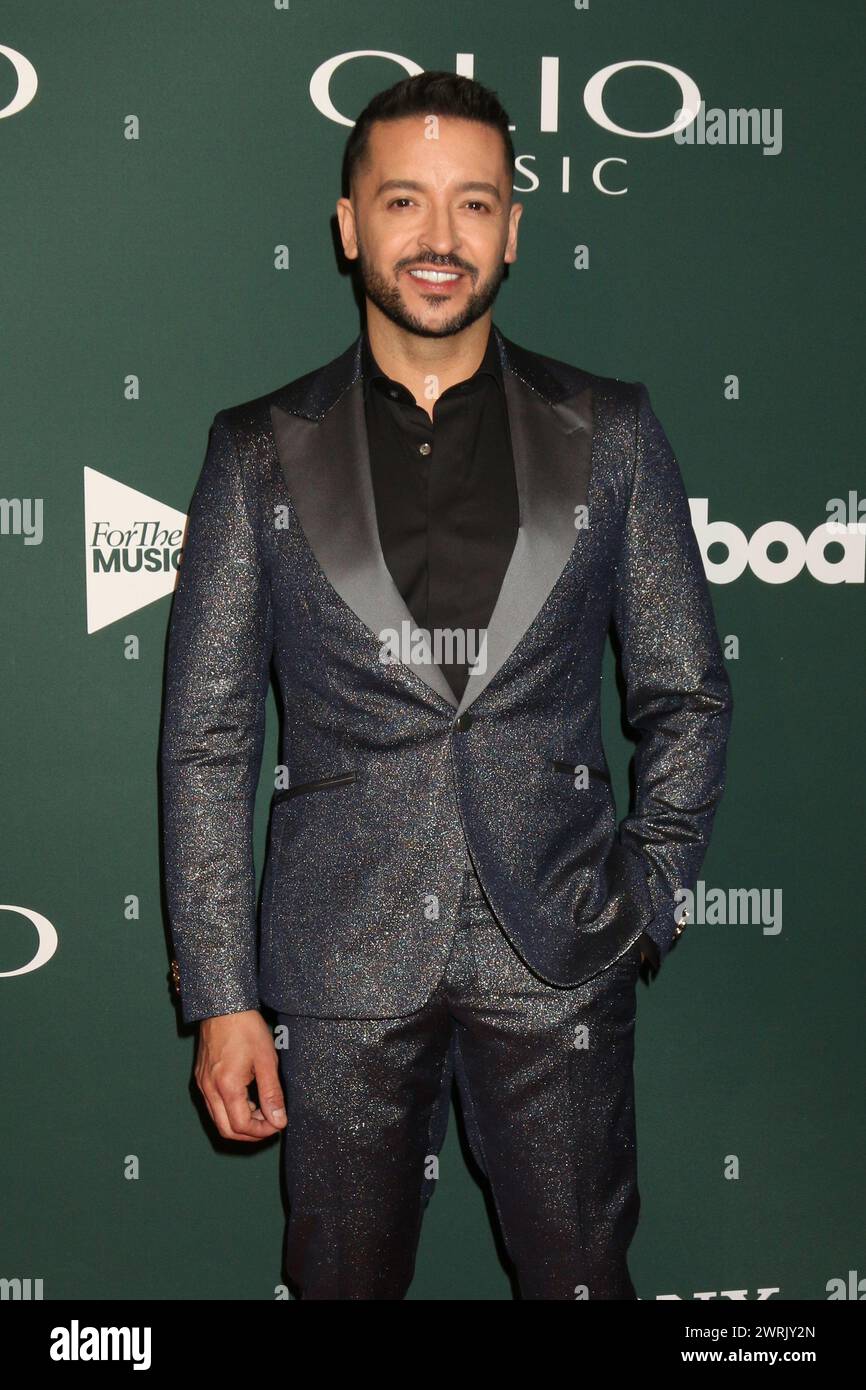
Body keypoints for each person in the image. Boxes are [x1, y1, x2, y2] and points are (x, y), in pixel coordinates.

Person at [160, 70, 733, 1300]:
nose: (437, 237)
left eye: (473, 204)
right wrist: (221, 994)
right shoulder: (254, 449)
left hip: (561, 954)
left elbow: (685, 692)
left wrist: (646, 895)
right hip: (335, 961)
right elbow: (207, 742)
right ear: (348, 224)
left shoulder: (612, 429)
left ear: (513, 229)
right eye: (404, 200)